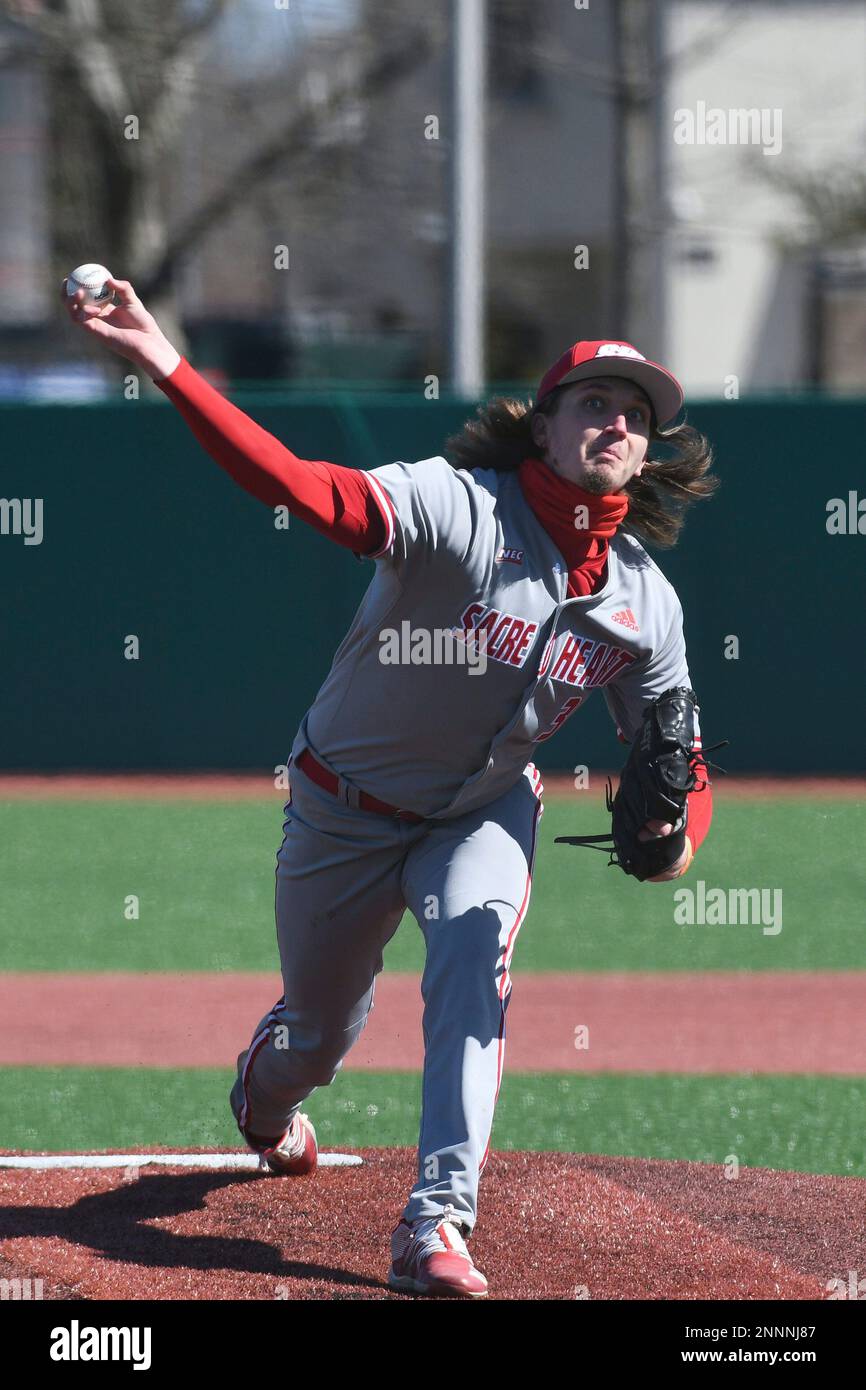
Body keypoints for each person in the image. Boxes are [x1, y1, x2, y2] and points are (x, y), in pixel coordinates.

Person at [64, 278, 718, 1299]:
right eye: (592, 401)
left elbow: (676, 754)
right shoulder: (459, 507)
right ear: (541, 425)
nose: (616, 421)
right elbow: (299, 485)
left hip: (481, 812)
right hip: (341, 806)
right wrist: (167, 364)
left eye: (634, 413)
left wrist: (679, 833)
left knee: (472, 959)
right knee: (318, 1037)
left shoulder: (643, 599)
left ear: (646, 448)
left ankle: (435, 1224)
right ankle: (266, 1090)